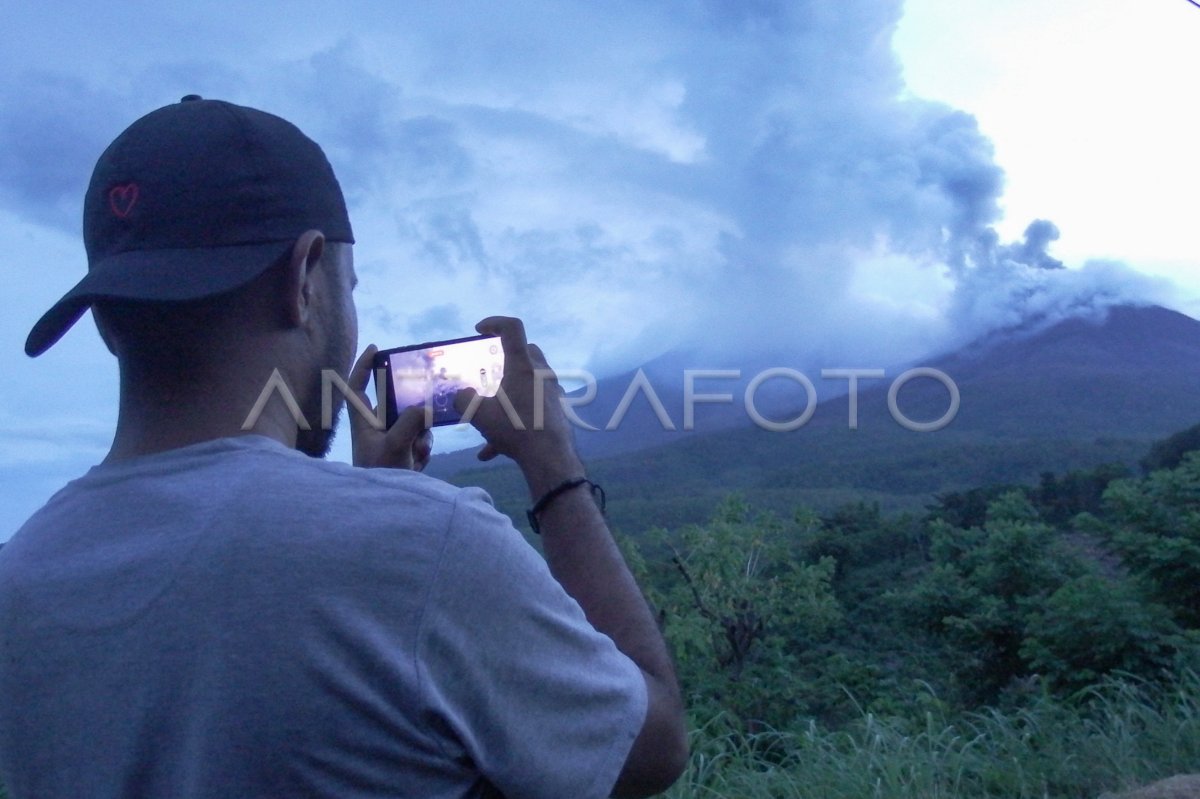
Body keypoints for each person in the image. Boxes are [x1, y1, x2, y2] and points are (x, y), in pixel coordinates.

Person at [0, 97, 687, 798]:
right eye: (348, 287)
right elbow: (651, 745)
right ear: (304, 279)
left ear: (105, 320)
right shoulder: (426, 550)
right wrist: (554, 470)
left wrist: (379, 502)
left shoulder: (15, 582)